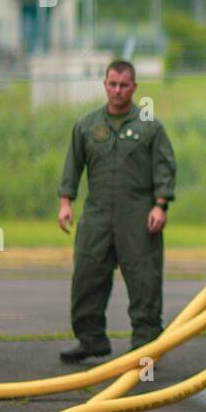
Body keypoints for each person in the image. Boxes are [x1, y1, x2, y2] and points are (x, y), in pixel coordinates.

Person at [57, 60, 176, 363]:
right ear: (105, 85)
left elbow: (164, 167)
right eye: (112, 84)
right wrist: (65, 203)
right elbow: (73, 165)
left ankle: (145, 346)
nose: (118, 90)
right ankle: (91, 340)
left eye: (124, 85)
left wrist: (160, 206)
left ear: (134, 87)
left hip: (137, 214)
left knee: (144, 279)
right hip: (97, 214)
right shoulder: (87, 125)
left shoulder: (150, 126)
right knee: (87, 275)